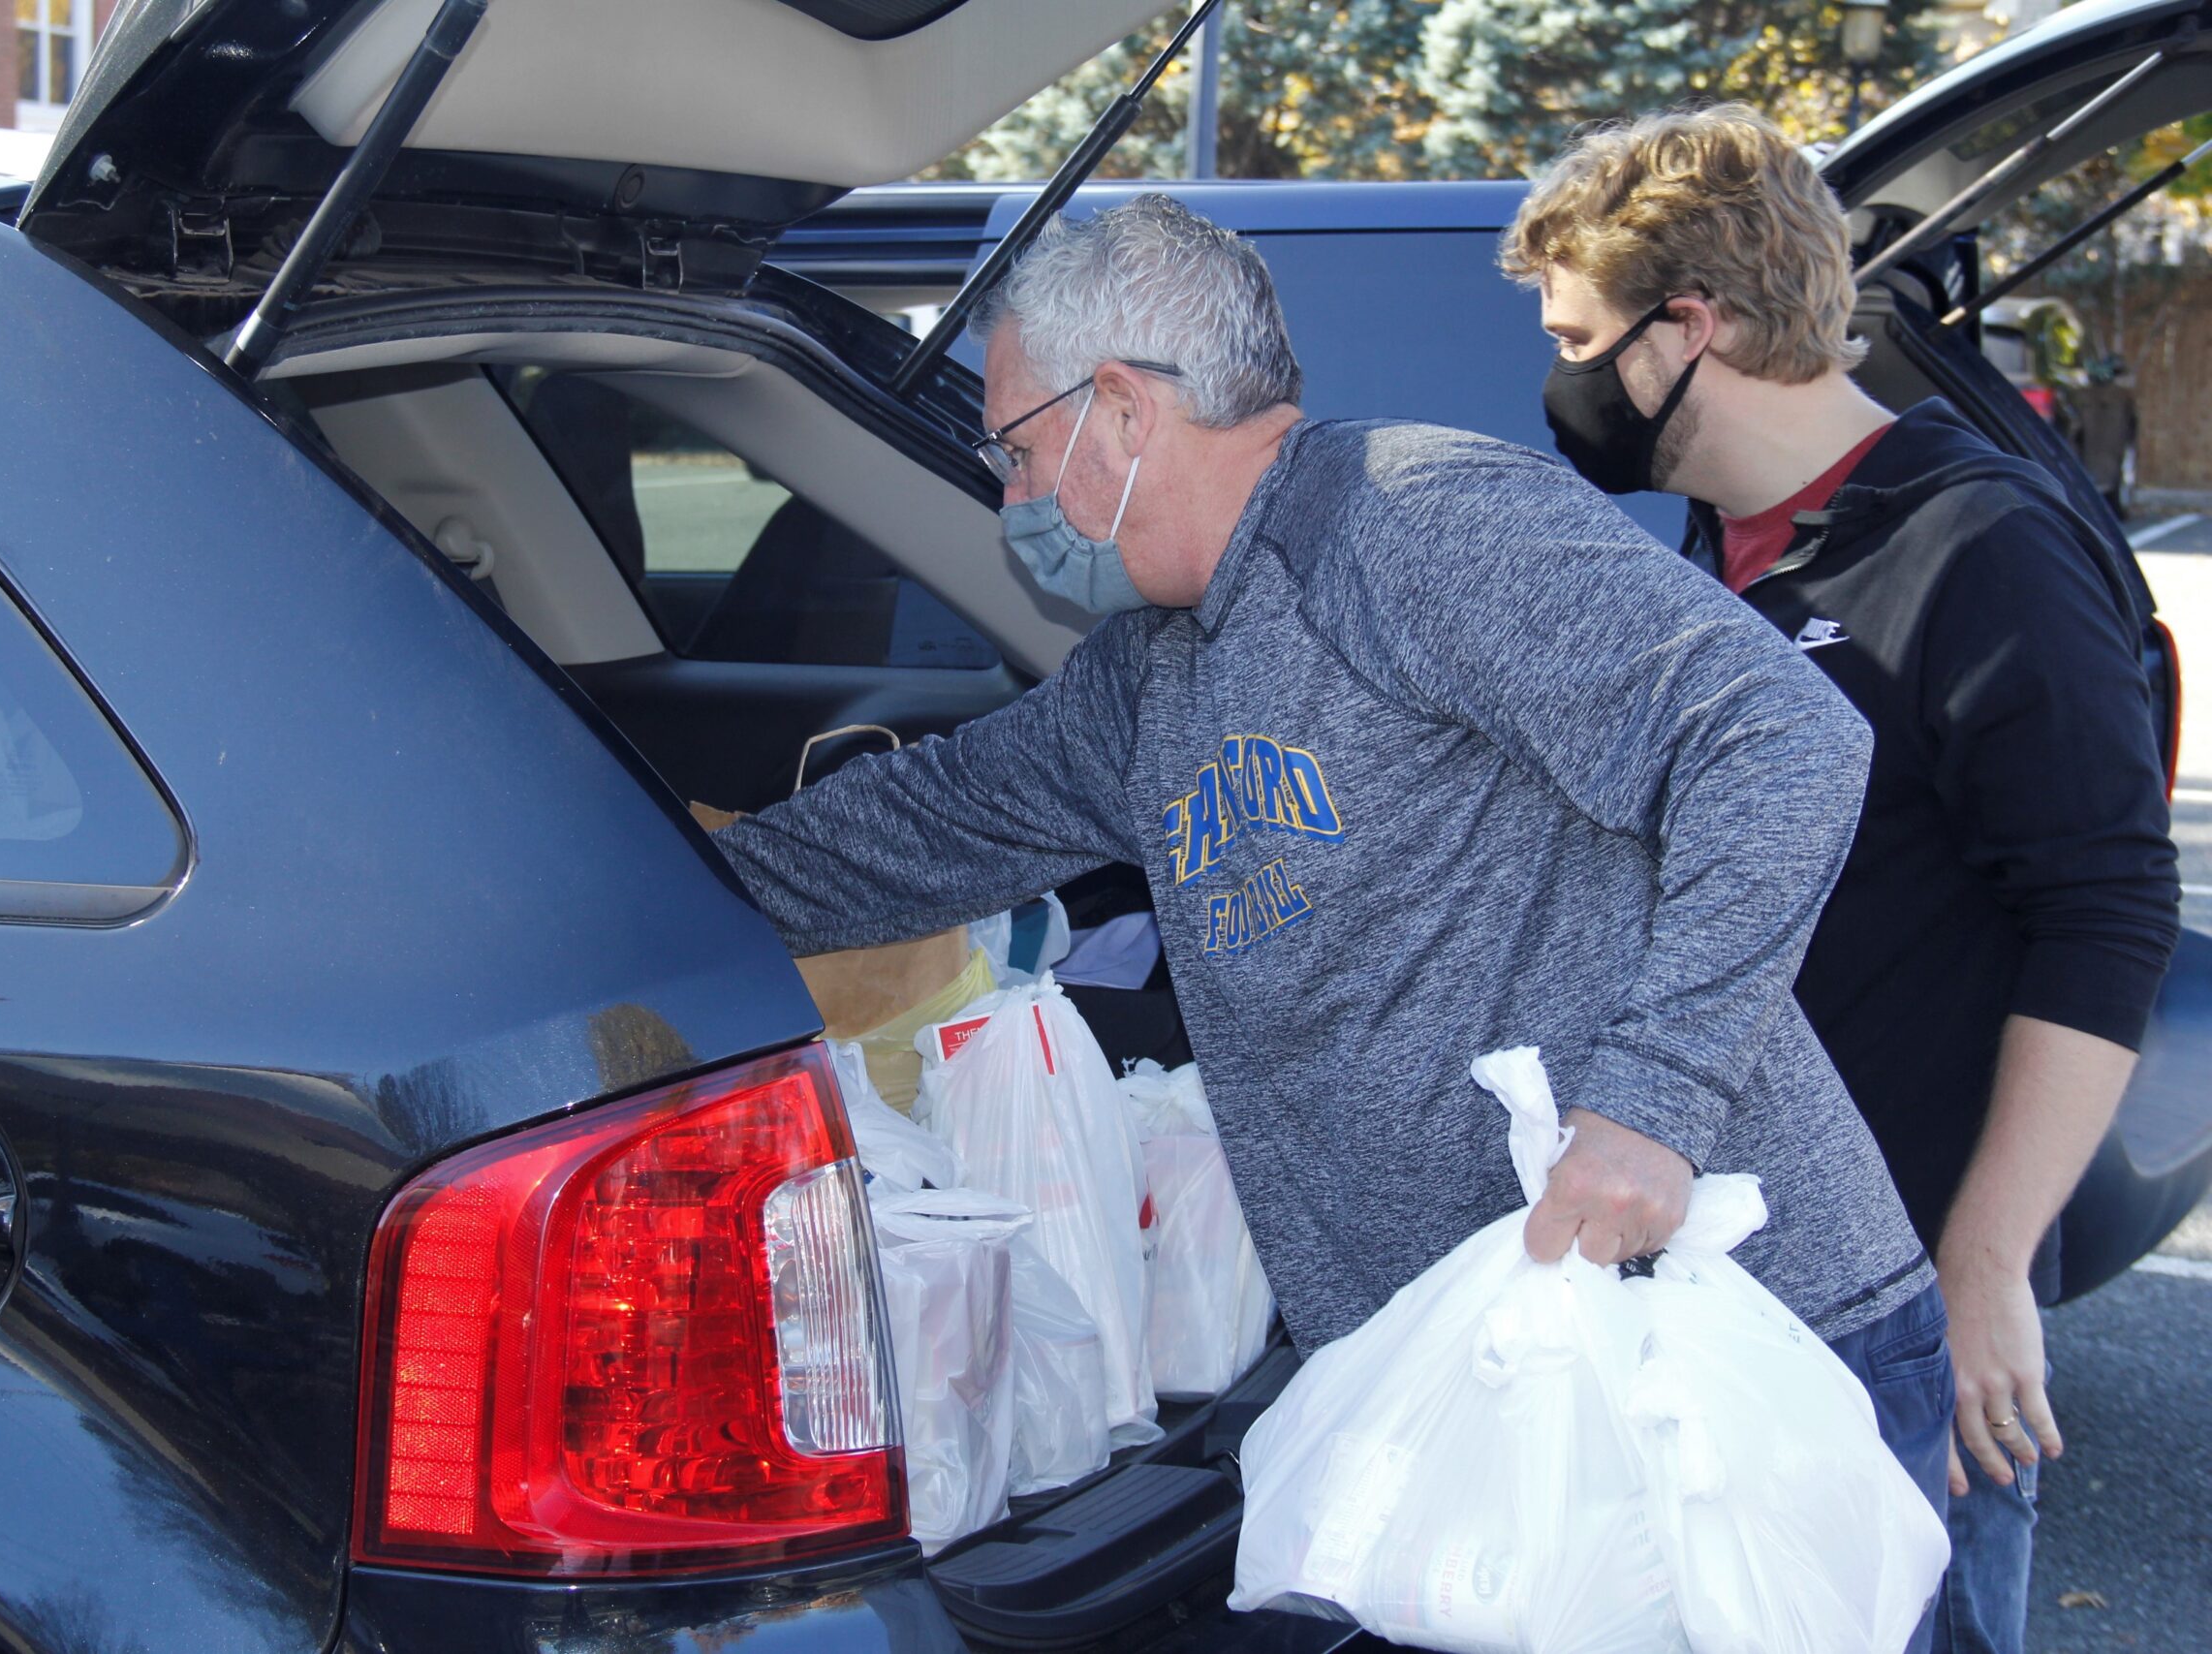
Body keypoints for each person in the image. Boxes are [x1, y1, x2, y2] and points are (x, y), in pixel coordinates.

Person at [711, 184, 1933, 1477]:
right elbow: (930, 823)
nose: (1013, 495)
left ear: (1123, 408)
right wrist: (654, 898)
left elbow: (1780, 739)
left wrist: (1654, 1103)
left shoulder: (1410, 521)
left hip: (1726, 1364)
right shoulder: (1153, 673)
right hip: (1483, 1391)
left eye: (1017, 449)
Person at [1502, 105, 2182, 1654]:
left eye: (1579, 335)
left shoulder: (1974, 544)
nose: (1563, 380)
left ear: (1697, 325)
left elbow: (2107, 914)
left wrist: (1989, 1265)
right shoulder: (1715, 546)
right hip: (1710, 1285)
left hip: (1897, 1308)